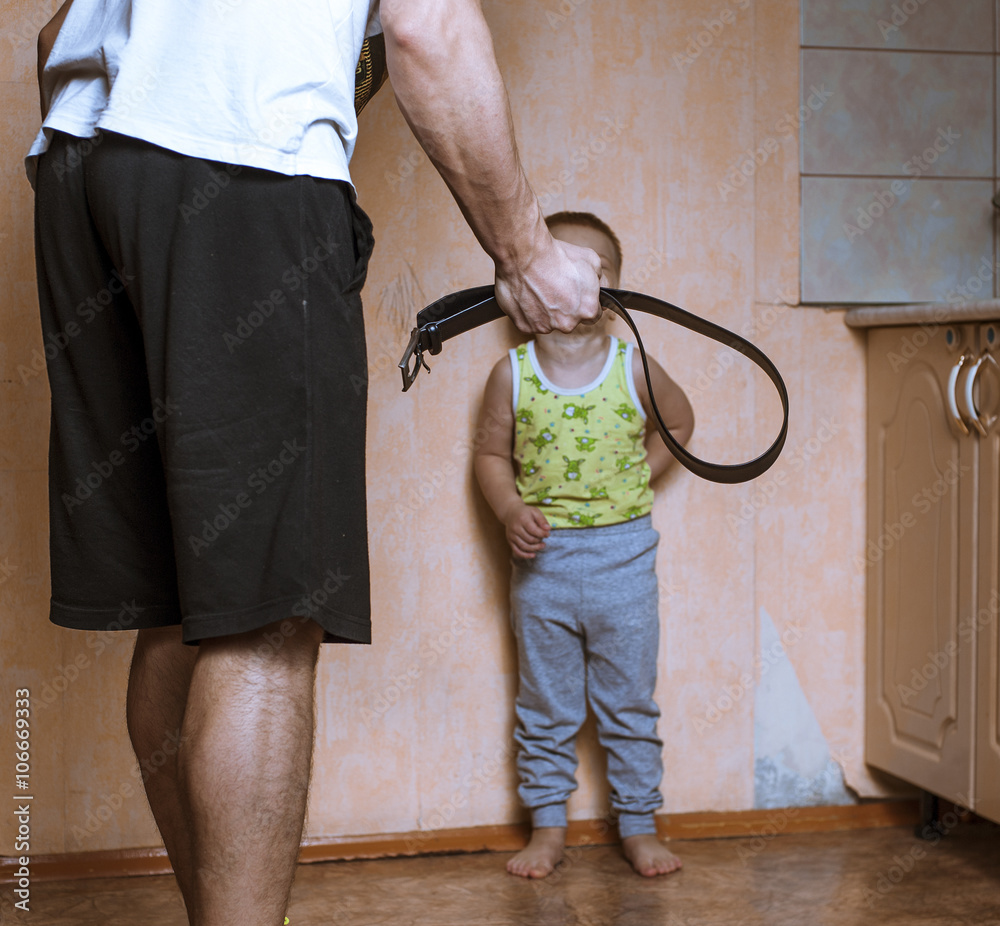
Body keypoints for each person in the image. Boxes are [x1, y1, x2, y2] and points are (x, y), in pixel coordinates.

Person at [30, 1, 604, 923]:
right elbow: (431, 24)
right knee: (263, 618)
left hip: (79, 166)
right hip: (238, 164)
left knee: (184, 606)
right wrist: (526, 250)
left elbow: (58, 37)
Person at [474, 211, 695, 879]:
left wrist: (637, 484)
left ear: (616, 288)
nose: (577, 287)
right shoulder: (511, 374)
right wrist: (510, 507)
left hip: (624, 566)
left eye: (594, 273)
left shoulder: (635, 365)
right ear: (521, 290)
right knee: (545, 706)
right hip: (542, 572)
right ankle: (547, 829)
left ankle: (638, 825)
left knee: (628, 704)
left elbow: (680, 423)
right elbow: (488, 454)